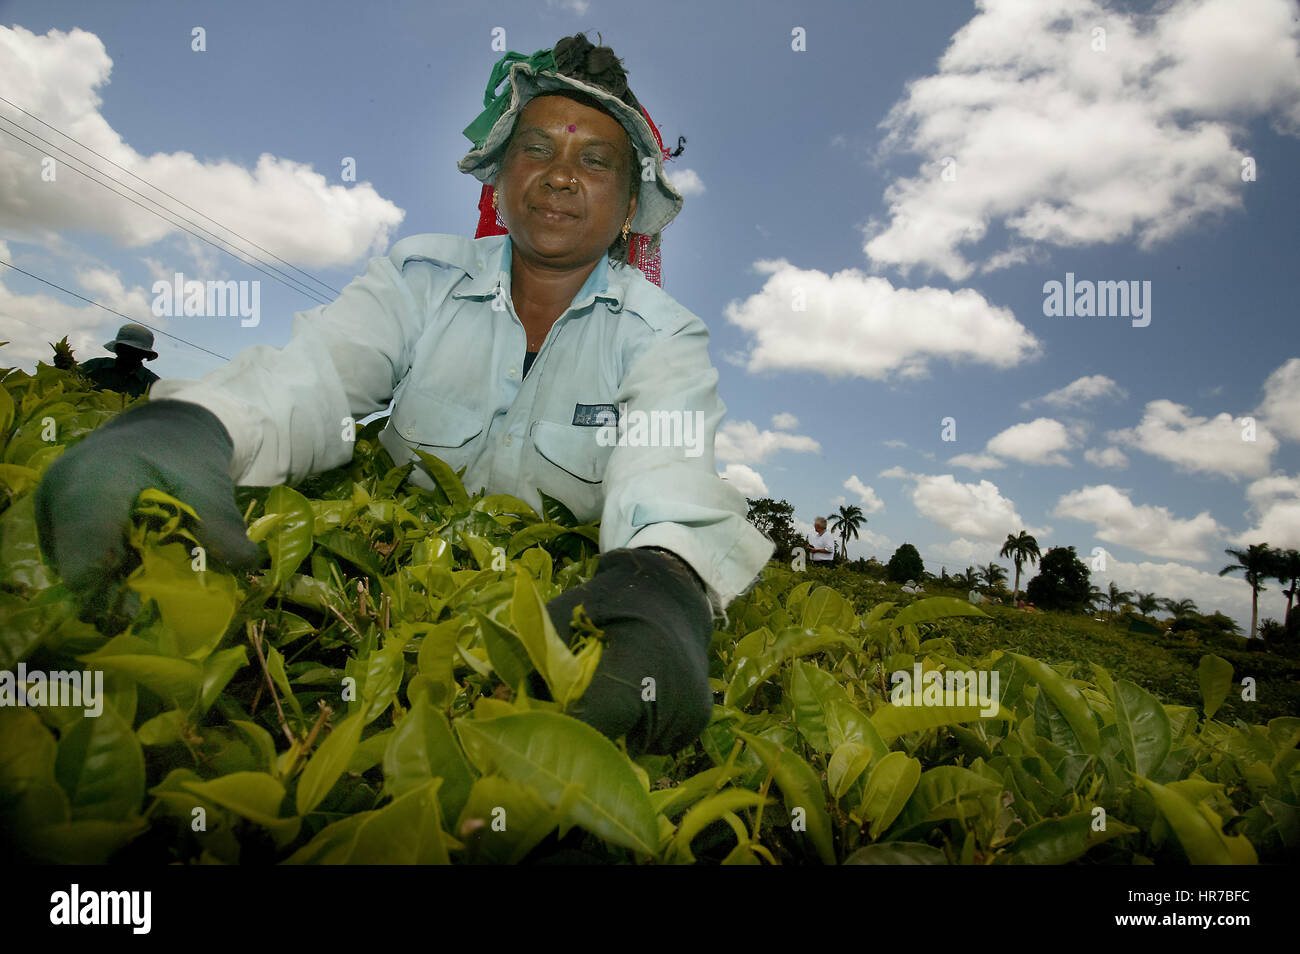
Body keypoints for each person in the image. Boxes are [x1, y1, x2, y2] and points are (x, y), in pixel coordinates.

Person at [34, 33, 773, 759]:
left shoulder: (664, 336)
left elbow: (667, 468)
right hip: (376, 594)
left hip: (533, 611)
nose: (559, 175)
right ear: (500, 175)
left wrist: (661, 586)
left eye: (594, 160)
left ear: (627, 209)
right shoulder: (419, 279)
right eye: (537, 149)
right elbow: (314, 373)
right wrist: (194, 426)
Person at [77, 323, 161, 397]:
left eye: (135, 351)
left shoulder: (153, 384)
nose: (129, 354)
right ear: (117, 349)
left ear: (145, 354)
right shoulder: (94, 366)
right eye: (125, 349)